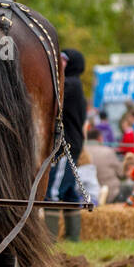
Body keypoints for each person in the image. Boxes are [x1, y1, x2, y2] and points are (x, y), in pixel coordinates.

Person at [45, 48, 87, 243]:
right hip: (74, 142)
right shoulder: (75, 85)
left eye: (63, 60)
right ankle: (73, 237)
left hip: (66, 144)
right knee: (69, 191)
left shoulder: (68, 85)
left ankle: (49, 238)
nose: (59, 63)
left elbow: (50, 100)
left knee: (53, 190)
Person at [85, 126, 129, 203]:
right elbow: (122, 173)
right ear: (99, 138)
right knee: (129, 186)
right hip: (110, 194)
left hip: (87, 195)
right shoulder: (108, 151)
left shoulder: (82, 153)